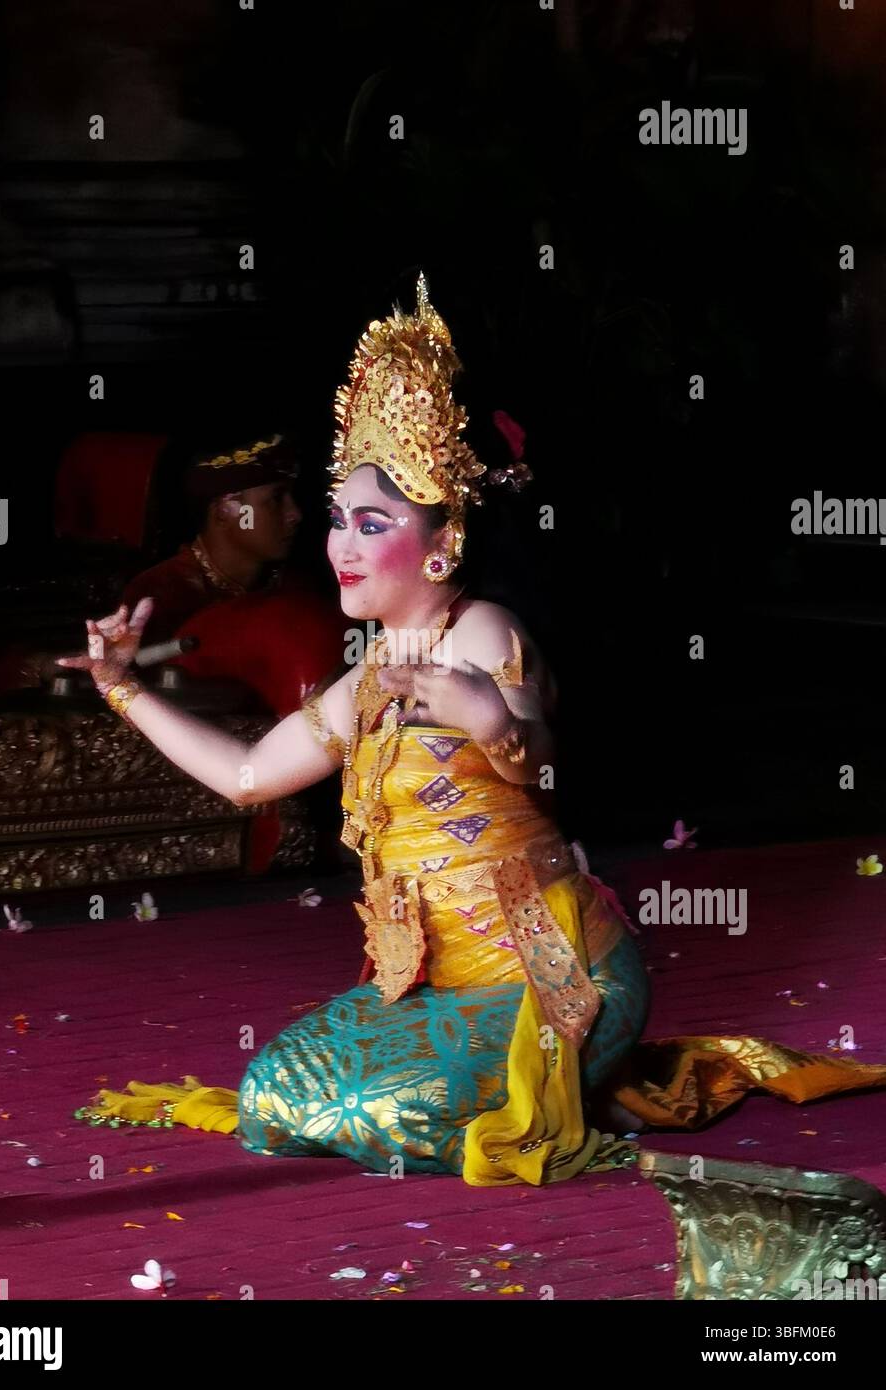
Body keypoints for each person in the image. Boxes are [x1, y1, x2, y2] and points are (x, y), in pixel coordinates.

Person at [63, 277, 886, 1185]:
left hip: (553, 977)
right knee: (270, 1101)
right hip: (439, 989)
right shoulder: (371, 674)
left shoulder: (482, 631)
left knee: (372, 1114)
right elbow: (251, 775)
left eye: (369, 524)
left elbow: (536, 760)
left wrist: (489, 716)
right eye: (336, 520)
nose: (338, 544)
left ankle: (572, 1065)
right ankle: (512, 1081)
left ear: (440, 542)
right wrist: (120, 688)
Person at [121, 434, 304, 645]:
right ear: (224, 511)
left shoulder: (293, 588)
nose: (295, 514)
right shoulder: (160, 597)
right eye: (276, 499)